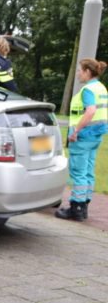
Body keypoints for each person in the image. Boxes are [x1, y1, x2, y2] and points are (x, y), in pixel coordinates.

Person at [55, 58, 108, 221]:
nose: (78, 73)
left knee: (78, 172)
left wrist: (76, 131)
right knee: (88, 171)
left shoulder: (88, 90)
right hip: (96, 135)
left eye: (80, 70)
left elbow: (90, 111)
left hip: (83, 136)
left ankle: (75, 207)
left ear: (87, 71)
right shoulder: (101, 88)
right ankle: (84, 206)